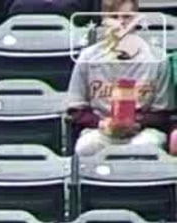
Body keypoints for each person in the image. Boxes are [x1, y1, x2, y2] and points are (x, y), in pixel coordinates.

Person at [66, 0, 174, 157]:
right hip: (99, 130)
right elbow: (75, 111)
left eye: (127, 17)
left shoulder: (158, 58)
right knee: (86, 146)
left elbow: (164, 113)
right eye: (114, 17)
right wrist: (102, 123)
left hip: (143, 132)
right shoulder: (88, 57)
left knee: (146, 147)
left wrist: (136, 122)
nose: (121, 23)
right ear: (104, 20)